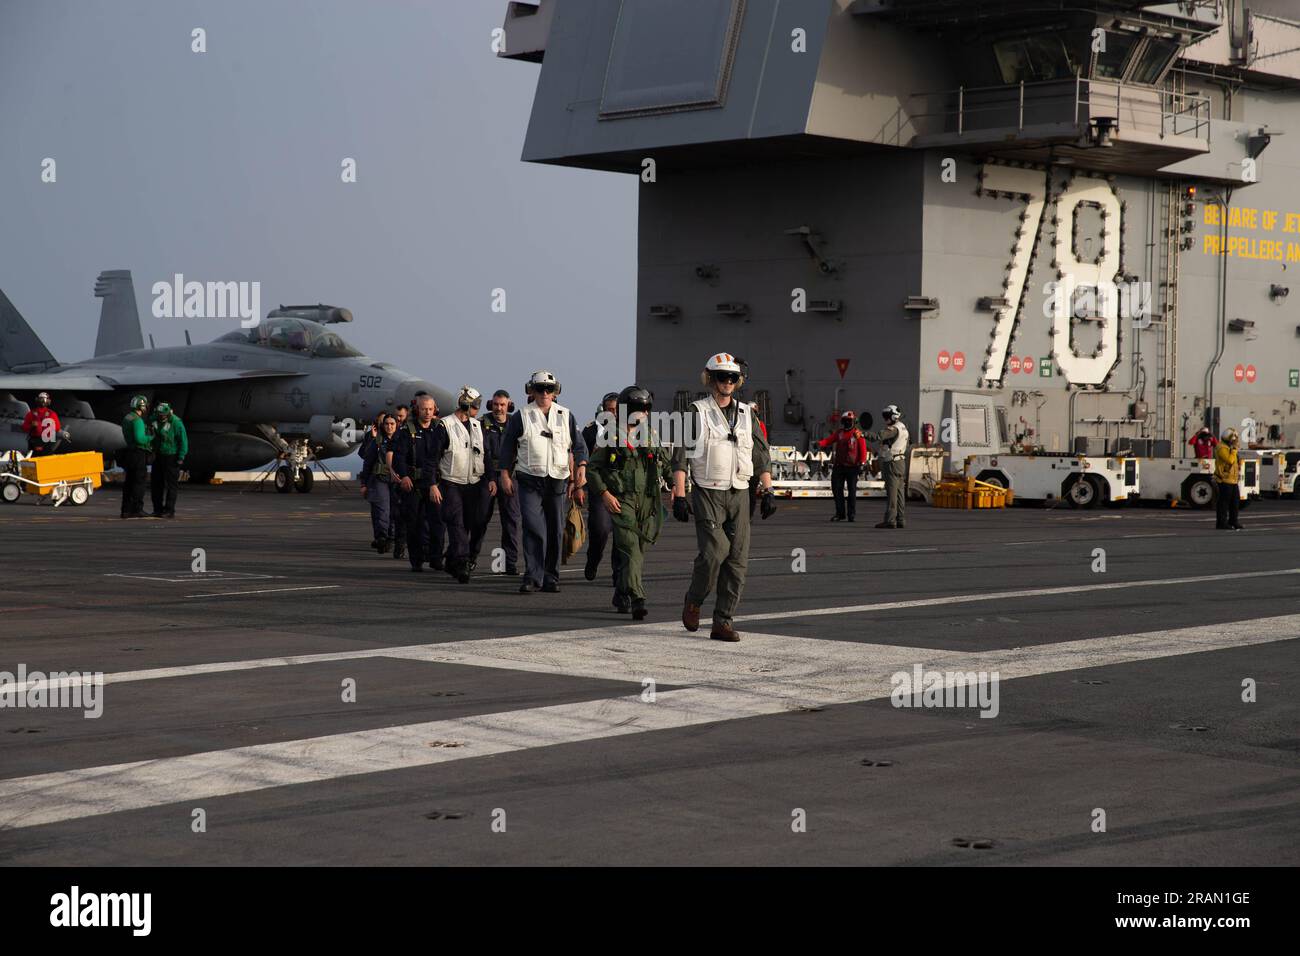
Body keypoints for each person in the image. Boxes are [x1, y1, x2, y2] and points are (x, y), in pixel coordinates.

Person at [671, 352, 775, 642]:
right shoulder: (696, 412)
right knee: (714, 553)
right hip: (708, 491)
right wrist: (680, 494)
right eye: (721, 376)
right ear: (710, 379)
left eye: (731, 377)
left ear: (737, 381)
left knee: (738, 559)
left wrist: (768, 490)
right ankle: (694, 600)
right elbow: (680, 457)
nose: (726, 382)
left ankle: (722, 622)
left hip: (740, 492)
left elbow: (761, 454)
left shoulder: (746, 414)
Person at [499, 370, 588, 594]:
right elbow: (507, 447)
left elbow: (579, 446)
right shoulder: (522, 415)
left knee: (555, 530)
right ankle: (532, 576)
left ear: (555, 391)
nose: (544, 393)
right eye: (540, 389)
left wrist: (582, 469)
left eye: (549, 389)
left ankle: (551, 576)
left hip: (557, 480)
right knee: (532, 526)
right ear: (532, 391)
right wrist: (504, 474)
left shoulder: (566, 415)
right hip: (529, 479)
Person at [587, 386, 670, 620]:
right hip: (621, 500)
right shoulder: (609, 436)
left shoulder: (650, 435)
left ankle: (621, 591)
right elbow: (593, 470)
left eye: (645, 409)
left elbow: (666, 462)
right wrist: (605, 494)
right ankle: (637, 598)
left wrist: (678, 489)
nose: (642, 413)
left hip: (647, 501)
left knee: (637, 552)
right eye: (638, 409)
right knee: (631, 549)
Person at [431, 386, 487, 583]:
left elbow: (484, 455)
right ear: (466, 403)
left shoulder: (477, 426)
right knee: (456, 524)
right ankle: (462, 562)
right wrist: (432, 485)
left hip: (474, 483)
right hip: (451, 483)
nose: (478, 408)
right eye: (475, 404)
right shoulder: (444, 426)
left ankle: (451, 558)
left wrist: (491, 481)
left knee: (473, 523)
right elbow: (433, 458)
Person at [389, 395, 440, 571]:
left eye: (430, 409)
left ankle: (435, 558)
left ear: (435, 410)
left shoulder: (439, 429)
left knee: (436, 523)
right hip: (413, 485)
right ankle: (416, 560)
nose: (427, 412)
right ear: (417, 409)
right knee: (414, 523)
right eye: (424, 409)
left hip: (434, 484)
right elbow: (399, 457)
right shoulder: (406, 431)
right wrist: (404, 476)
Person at [473, 389, 522, 575]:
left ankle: (509, 563)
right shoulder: (481, 424)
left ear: (509, 405)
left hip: (510, 477)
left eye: (502, 405)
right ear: (490, 405)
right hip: (487, 478)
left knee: (511, 521)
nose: (499, 408)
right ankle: (471, 557)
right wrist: (490, 478)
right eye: (495, 404)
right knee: (480, 520)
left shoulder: (515, 423)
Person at [582, 392, 620, 583]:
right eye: (609, 409)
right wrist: (578, 486)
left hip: (622, 489)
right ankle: (593, 559)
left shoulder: (631, 431)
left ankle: (618, 574)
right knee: (601, 529)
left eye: (616, 409)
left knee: (622, 535)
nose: (612, 413)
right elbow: (582, 459)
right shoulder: (590, 431)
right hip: (599, 488)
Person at [865, 404, 909, 529]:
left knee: (892, 493)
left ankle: (890, 520)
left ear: (894, 416)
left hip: (892, 463)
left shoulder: (893, 429)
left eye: (887, 416)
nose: (885, 419)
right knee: (900, 493)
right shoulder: (903, 428)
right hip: (901, 462)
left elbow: (878, 436)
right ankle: (900, 519)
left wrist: (863, 434)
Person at [818, 410, 867, 522]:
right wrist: (819, 444)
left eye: (850, 421)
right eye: (845, 421)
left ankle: (851, 514)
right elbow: (829, 440)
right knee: (837, 490)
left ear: (854, 421)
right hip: (839, 466)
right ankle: (840, 514)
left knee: (852, 491)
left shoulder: (858, 434)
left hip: (853, 467)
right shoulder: (839, 433)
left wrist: (862, 463)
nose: (848, 423)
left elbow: (863, 449)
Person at [360, 413, 398, 553]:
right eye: (387, 424)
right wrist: (364, 484)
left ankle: (392, 538)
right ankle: (382, 538)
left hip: (397, 481)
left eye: (392, 424)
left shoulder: (402, 440)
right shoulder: (377, 442)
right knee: (382, 511)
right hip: (379, 480)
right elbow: (367, 462)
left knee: (395, 511)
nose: (389, 426)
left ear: (396, 425)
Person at [149, 402, 188, 518]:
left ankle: (169, 510)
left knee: (171, 485)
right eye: (159, 414)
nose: (161, 417)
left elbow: (183, 441)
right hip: (158, 455)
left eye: (163, 415)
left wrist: (181, 457)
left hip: (172, 456)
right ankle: (157, 509)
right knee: (156, 484)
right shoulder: (154, 419)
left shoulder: (176, 423)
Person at [119, 394, 152, 519]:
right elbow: (140, 438)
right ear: (141, 406)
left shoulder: (127, 418)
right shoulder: (137, 420)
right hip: (139, 454)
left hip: (130, 453)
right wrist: (151, 438)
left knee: (129, 482)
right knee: (139, 483)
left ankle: (125, 510)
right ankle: (137, 509)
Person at [1214, 428, 1243, 531]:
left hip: (1233, 480)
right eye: (1233, 439)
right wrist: (1234, 450)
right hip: (1224, 480)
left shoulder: (1229, 447)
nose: (1235, 442)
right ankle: (1221, 523)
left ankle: (1233, 521)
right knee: (1224, 503)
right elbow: (1229, 460)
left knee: (1235, 502)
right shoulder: (1221, 447)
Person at [22, 392, 68, 456]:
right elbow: (57, 428)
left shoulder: (31, 414)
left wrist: (32, 426)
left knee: (34, 457)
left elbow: (24, 427)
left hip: (35, 441)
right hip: (47, 442)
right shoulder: (52, 414)